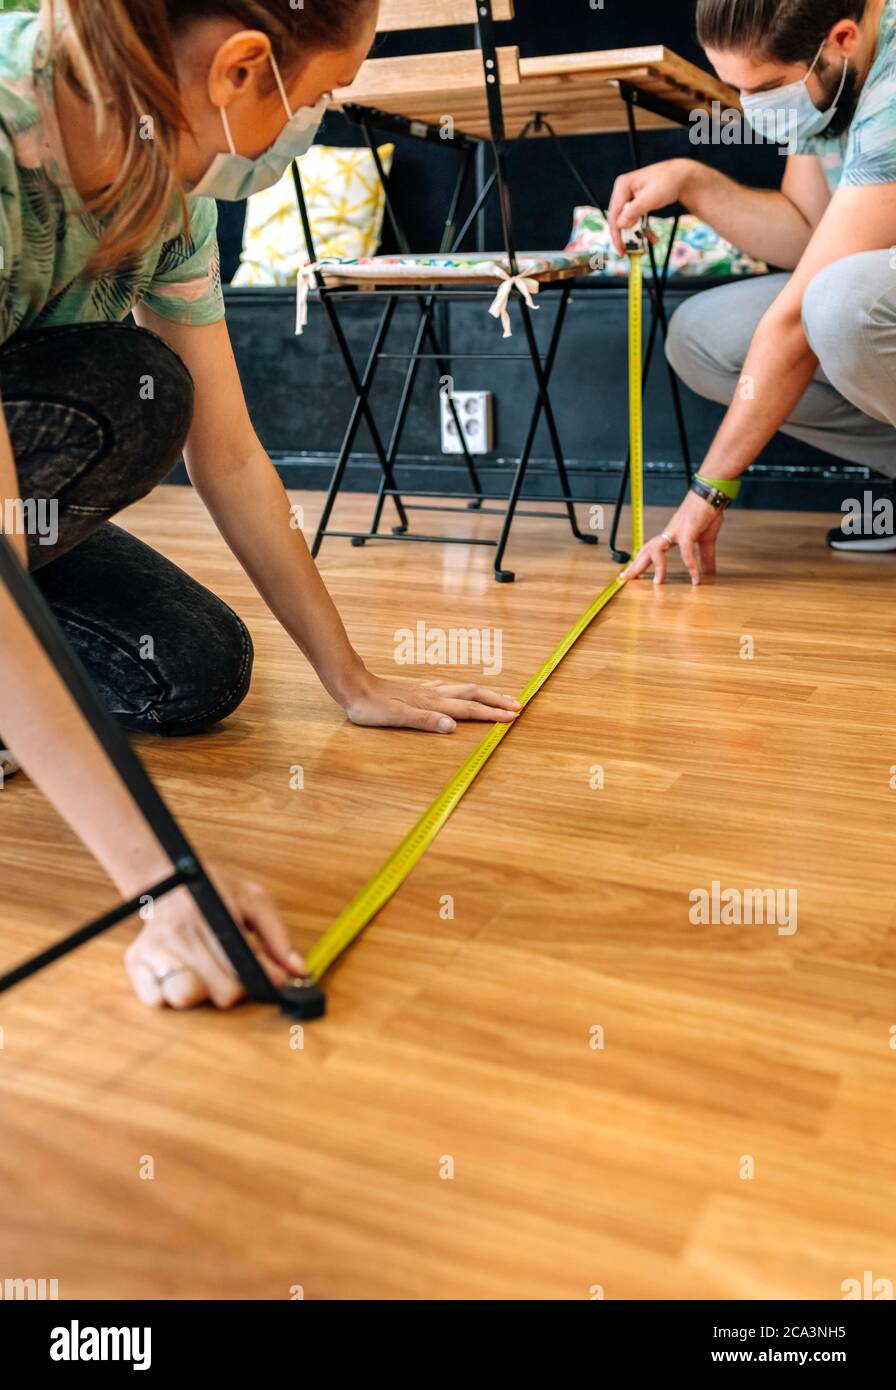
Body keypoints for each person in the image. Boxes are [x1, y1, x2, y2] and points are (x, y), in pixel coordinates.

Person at [0, 0, 521, 1011]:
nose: (314, 118)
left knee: (196, 665)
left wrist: (349, 676)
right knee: (128, 387)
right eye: (321, 94)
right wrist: (163, 885)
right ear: (242, 70)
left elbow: (230, 456)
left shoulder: (170, 184)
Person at [608, 0, 896, 582]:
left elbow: (799, 315)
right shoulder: (834, 76)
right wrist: (694, 183)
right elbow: (806, 230)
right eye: (738, 88)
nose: (752, 106)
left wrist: (709, 490)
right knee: (702, 337)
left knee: (840, 305)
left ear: (841, 38)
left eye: (766, 87)